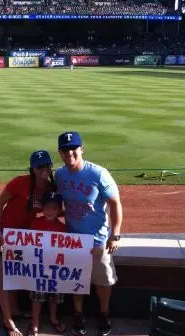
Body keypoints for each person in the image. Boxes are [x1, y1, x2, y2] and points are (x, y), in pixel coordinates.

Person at [55, 131, 123, 336]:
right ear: (60, 153)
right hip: (73, 240)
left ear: (81, 149)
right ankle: (78, 314)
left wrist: (116, 234)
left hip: (98, 239)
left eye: (73, 149)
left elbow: (115, 203)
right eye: (65, 150)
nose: (70, 153)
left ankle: (103, 314)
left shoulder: (98, 173)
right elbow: (60, 203)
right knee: (76, 281)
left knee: (103, 281)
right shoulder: (59, 174)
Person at [0, 150, 56, 336]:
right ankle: (7, 319)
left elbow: (54, 211)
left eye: (47, 166)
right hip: (6, 236)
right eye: (39, 167)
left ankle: (16, 310)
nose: (44, 169)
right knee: (4, 276)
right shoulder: (20, 182)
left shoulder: (50, 188)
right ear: (33, 168)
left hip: (26, 240)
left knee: (16, 275)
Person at [27, 191, 66, 336]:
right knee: (37, 298)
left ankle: (53, 318)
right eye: (47, 207)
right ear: (42, 208)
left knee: (54, 297)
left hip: (56, 268)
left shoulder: (62, 228)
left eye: (54, 208)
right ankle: (35, 323)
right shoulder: (35, 223)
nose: (50, 211)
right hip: (39, 268)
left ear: (59, 209)